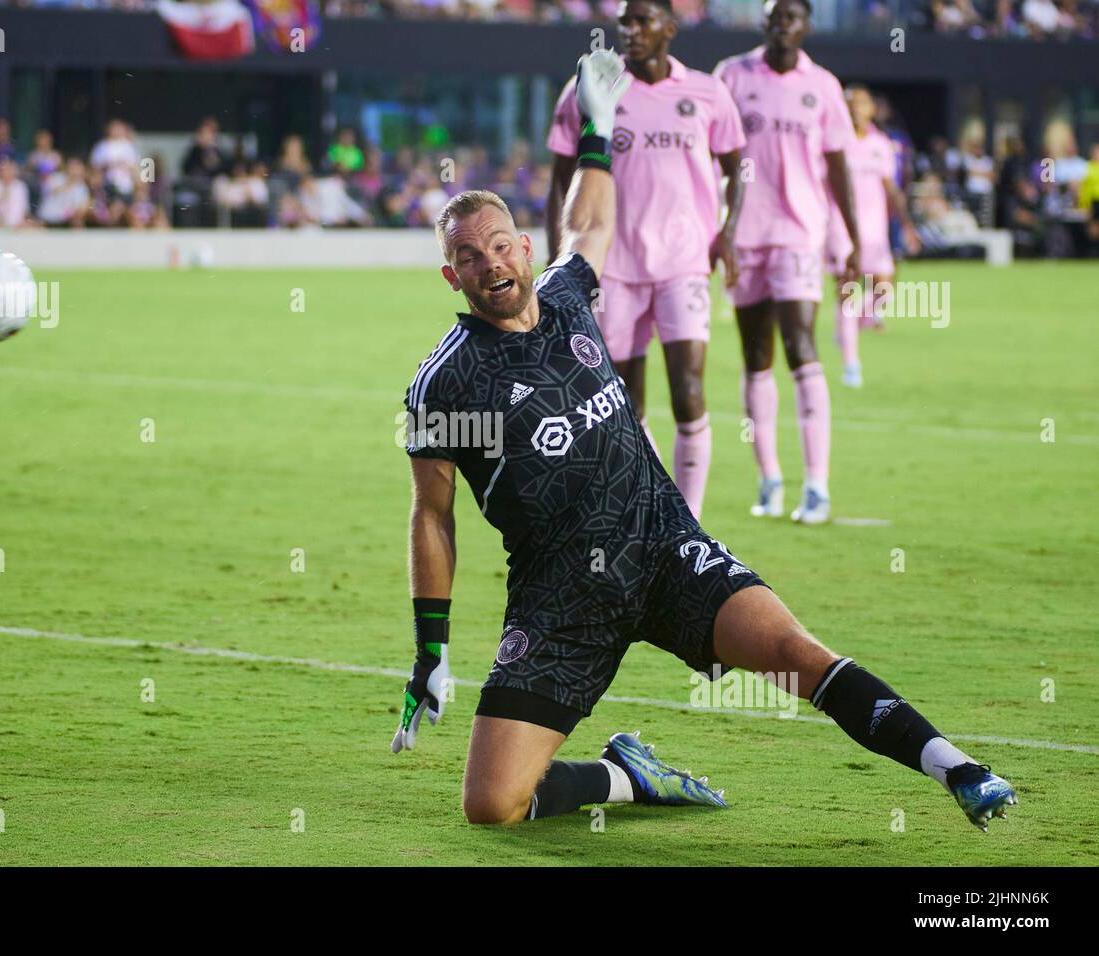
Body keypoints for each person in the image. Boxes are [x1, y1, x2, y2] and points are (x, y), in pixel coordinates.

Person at [391, 50, 1017, 833]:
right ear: (451, 277)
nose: (490, 264)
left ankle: (959, 768)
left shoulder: (568, 293)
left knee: (797, 654)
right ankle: (626, 777)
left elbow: (589, 220)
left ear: (524, 246)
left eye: (499, 245)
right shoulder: (444, 384)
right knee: (492, 807)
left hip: (663, 550)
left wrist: (597, 125)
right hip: (560, 601)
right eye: (468, 257)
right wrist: (431, 650)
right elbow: (432, 516)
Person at [546, 0, 746, 519]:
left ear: (670, 30)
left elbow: (735, 166)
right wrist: (557, 263)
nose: (631, 31)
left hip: (684, 264)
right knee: (625, 407)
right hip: (612, 268)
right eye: (626, 22)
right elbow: (561, 181)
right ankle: (663, 515)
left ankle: (690, 525)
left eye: (643, 21)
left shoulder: (707, 92)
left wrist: (728, 229)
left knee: (689, 390)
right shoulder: (591, 88)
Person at [715, 0, 860, 525]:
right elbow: (711, 155)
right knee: (756, 354)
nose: (782, 25)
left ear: (806, 27)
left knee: (801, 345)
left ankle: (817, 485)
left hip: (800, 232)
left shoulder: (822, 85)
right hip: (744, 234)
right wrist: (718, 228)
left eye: (792, 18)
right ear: (764, 23)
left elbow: (838, 163)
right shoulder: (731, 75)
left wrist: (854, 241)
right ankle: (770, 477)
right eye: (774, 16)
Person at [825, 86, 920, 386]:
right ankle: (851, 365)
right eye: (851, 103)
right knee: (848, 289)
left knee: (884, 287)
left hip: (875, 229)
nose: (856, 109)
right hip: (840, 227)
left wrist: (907, 225)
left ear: (871, 109)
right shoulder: (835, 143)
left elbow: (890, 187)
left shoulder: (882, 144)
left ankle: (854, 324)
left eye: (862, 103)